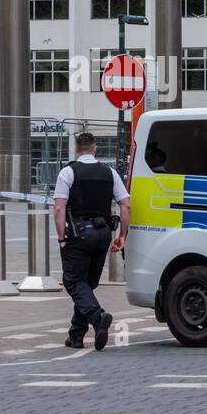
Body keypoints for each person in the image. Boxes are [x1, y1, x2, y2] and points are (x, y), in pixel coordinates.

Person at [53, 132, 130, 350]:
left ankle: (98, 317)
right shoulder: (110, 173)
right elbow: (126, 205)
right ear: (94, 148)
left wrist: (61, 238)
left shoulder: (68, 172)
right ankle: (76, 335)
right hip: (104, 233)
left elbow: (59, 207)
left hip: (79, 234)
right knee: (87, 283)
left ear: (77, 149)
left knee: (73, 281)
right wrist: (122, 235)